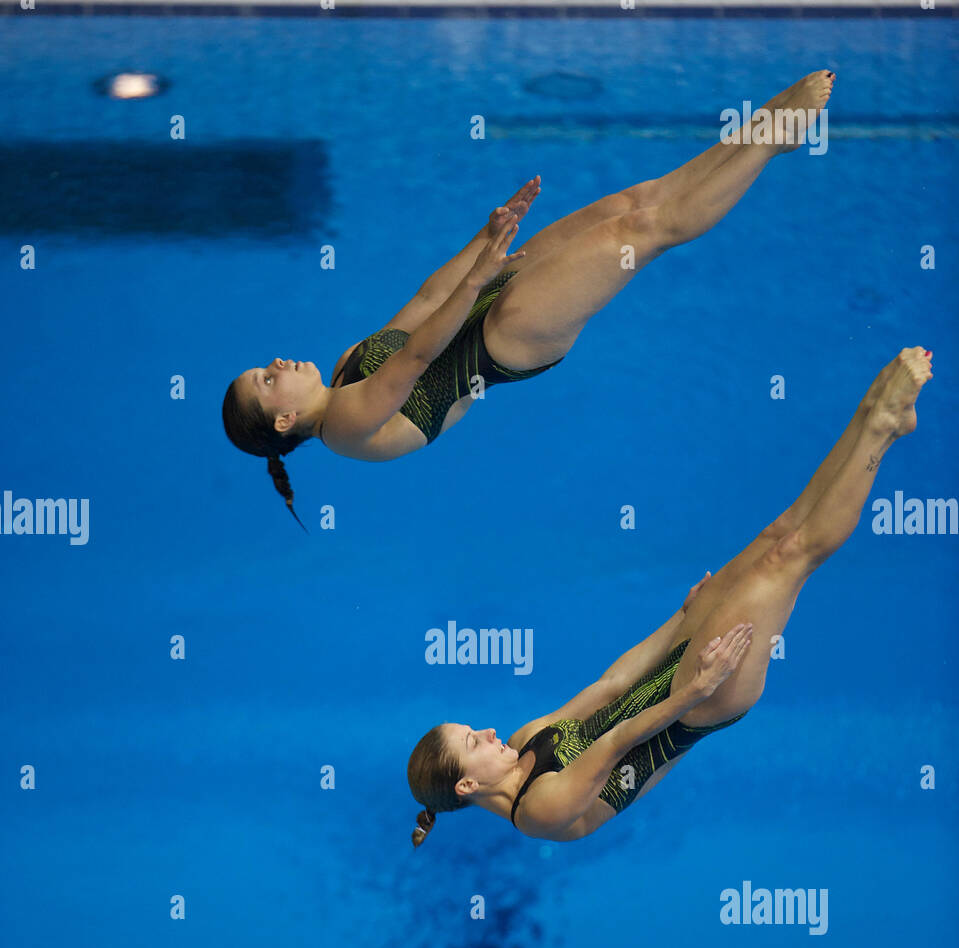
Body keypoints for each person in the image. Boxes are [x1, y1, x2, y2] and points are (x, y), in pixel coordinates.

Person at [222, 71, 836, 527]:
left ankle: (762, 137)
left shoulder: (344, 364)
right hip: (505, 340)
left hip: (487, 293)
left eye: (265, 367)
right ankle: (773, 137)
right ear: (283, 421)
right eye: (267, 380)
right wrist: (479, 279)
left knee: (630, 204)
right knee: (642, 234)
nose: (276, 364)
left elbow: (424, 299)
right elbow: (414, 362)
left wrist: (488, 236)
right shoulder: (346, 430)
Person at [408, 348, 933, 846]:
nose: (487, 729)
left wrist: (679, 619)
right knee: (792, 558)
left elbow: (611, 687)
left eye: (471, 728)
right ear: (467, 787)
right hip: (697, 703)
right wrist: (697, 689)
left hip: (675, 670)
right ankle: (882, 427)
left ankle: (875, 416)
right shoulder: (538, 812)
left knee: (780, 533)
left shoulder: (526, 741)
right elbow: (615, 743)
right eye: (473, 741)